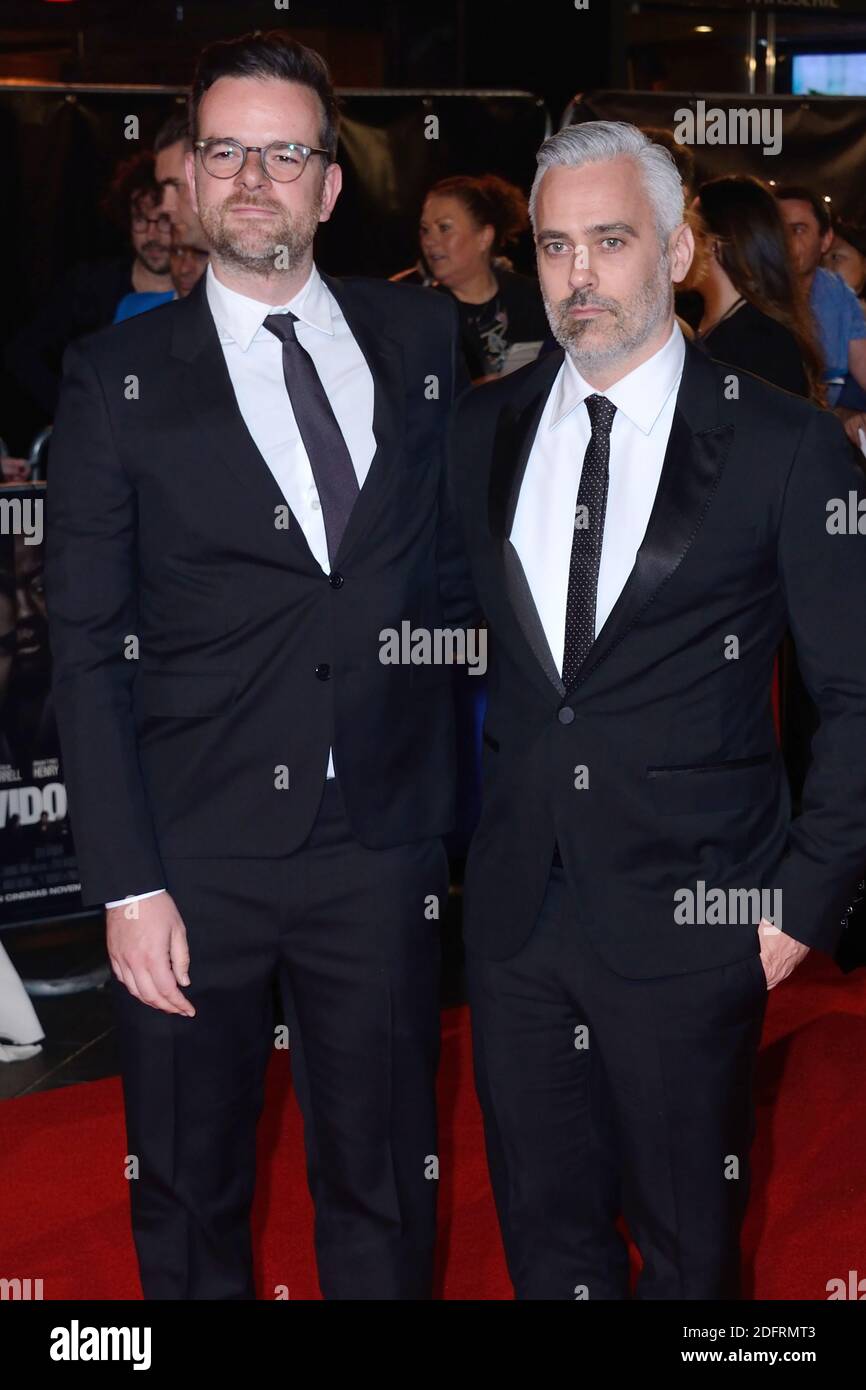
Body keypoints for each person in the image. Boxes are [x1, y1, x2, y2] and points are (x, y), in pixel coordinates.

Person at [46, 29, 474, 1301]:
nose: (251, 180)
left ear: (327, 183)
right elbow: (84, 646)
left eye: (283, 153)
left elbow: (448, 582)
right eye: (224, 151)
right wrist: (125, 883)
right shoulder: (114, 377)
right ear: (186, 178)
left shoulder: (420, 340)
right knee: (187, 1189)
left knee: (388, 1180)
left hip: (384, 843)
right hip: (192, 856)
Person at [449, 120, 866, 1300]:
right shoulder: (481, 428)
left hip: (697, 919)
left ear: (679, 248)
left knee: (691, 1254)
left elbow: (855, 692)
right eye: (552, 245)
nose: (577, 273)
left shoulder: (783, 444)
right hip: (518, 917)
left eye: (610, 240)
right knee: (546, 1241)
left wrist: (798, 898)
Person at [4, 155, 172, 418]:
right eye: (140, 220)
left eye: (163, 221)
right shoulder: (90, 286)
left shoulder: (205, 291)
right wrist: (76, 411)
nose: (151, 235)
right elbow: (23, 355)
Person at [396, 174, 548, 381]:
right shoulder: (418, 311)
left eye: (444, 228)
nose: (430, 241)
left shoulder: (534, 297)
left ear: (484, 237)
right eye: (425, 230)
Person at [694, 175, 824, 401]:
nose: (677, 245)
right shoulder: (688, 315)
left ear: (714, 245)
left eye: (690, 233)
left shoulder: (764, 345)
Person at [776, 185, 866, 435]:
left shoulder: (837, 294)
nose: (785, 241)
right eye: (777, 230)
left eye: (798, 230)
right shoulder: (754, 294)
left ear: (825, 240)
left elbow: (862, 360)